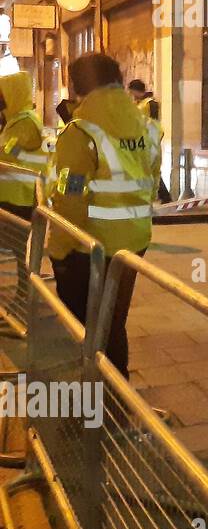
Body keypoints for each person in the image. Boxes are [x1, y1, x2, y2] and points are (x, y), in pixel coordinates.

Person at [47, 53, 161, 377]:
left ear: (77, 85)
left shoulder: (80, 132)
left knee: (89, 324)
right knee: (113, 320)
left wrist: (60, 249)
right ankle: (116, 391)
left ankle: (101, 396)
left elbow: (69, 195)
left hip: (91, 247)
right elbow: (152, 183)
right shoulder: (147, 127)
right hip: (136, 239)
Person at [0, 71, 47, 220]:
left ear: (13, 95)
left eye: (2, 96)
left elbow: (8, 150)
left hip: (21, 195)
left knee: (17, 239)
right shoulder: (15, 120)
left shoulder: (25, 122)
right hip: (15, 193)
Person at [127, 78, 170, 203]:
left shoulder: (150, 103)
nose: (130, 95)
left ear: (135, 90)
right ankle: (162, 196)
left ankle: (164, 196)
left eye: (131, 92)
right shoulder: (140, 104)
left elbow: (153, 123)